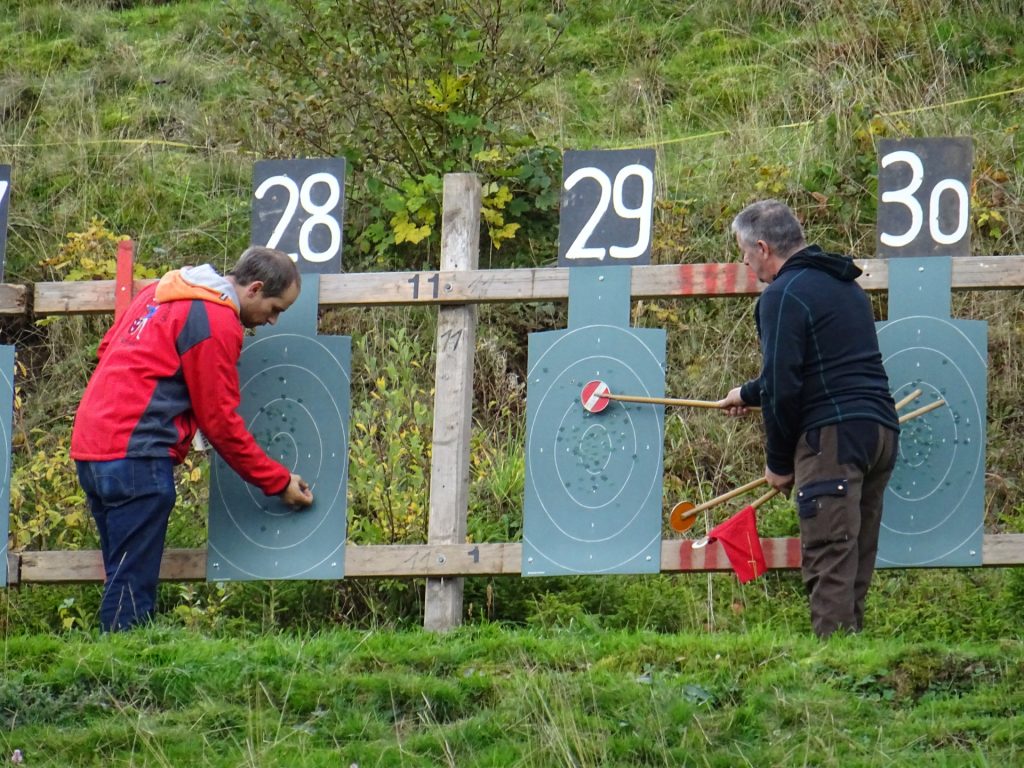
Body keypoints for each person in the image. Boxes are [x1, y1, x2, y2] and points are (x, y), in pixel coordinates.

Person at [71, 246, 315, 631]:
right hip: (138, 454)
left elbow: (108, 350)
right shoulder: (217, 320)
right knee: (131, 585)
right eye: (275, 308)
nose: (272, 321)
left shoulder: (158, 292)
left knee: (121, 571)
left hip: (91, 446)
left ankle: (110, 669)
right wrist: (278, 480)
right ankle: (118, 675)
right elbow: (220, 422)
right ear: (253, 288)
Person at [716, 200, 899, 638]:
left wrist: (779, 463)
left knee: (828, 554)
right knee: (854, 553)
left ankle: (834, 668)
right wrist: (745, 393)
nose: (744, 261)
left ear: (762, 248)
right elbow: (818, 367)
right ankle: (854, 661)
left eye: (744, 252)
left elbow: (784, 386)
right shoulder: (844, 286)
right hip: (878, 433)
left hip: (831, 439)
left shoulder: (781, 294)